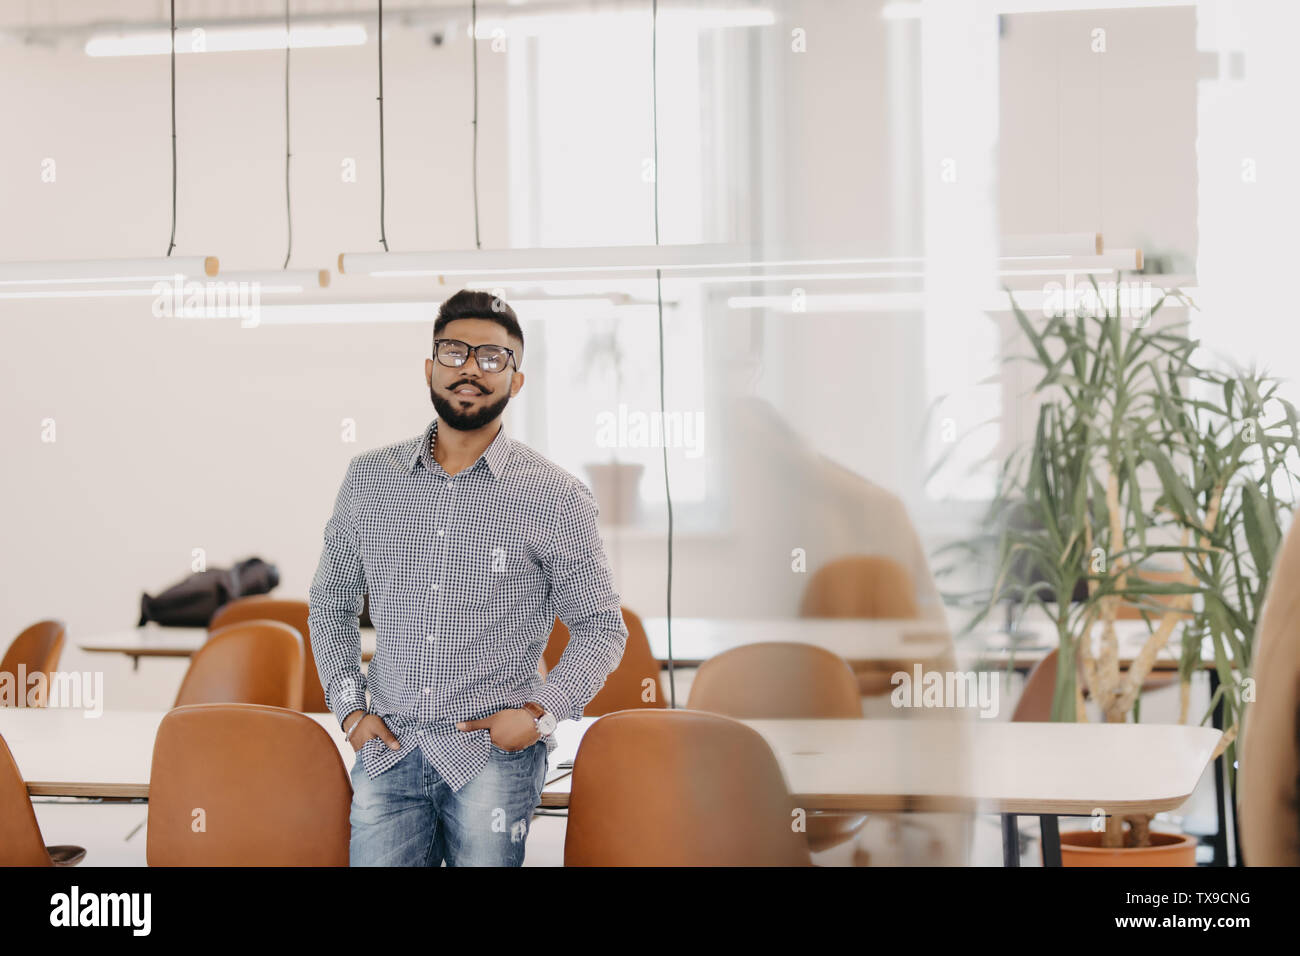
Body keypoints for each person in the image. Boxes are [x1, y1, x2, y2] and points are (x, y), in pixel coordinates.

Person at [308, 289, 629, 866]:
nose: (470, 370)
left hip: (491, 755)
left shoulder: (555, 496)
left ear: (516, 380)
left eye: (492, 358)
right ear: (430, 368)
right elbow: (331, 603)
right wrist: (350, 712)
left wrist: (538, 715)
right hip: (389, 750)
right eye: (454, 352)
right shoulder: (369, 481)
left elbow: (602, 629)